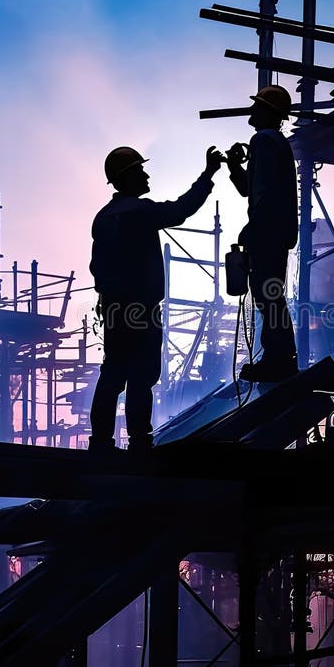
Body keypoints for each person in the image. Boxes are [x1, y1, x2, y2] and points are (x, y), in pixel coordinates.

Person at [89, 145, 221, 453]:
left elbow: (96, 267)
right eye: (140, 169)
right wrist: (208, 175)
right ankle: (139, 442)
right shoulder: (139, 212)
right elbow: (180, 210)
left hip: (113, 308)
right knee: (140, 376)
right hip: (141, 310)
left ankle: (100, 443)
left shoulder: (103, 218)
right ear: (129, 176)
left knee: (112, 374)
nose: (146, 174)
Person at [225, 84, 298, 383]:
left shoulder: (265, 140)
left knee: (269, 296)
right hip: (274, 231)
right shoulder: (273, 142)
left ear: (269, 112)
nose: (252, 111)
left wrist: (252, 229)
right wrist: (233, 166)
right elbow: (249, 189)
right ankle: (280, 355)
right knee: (270, 295)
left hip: (268, 231)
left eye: (257, 106)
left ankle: (277, 357)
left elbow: (263, 194)